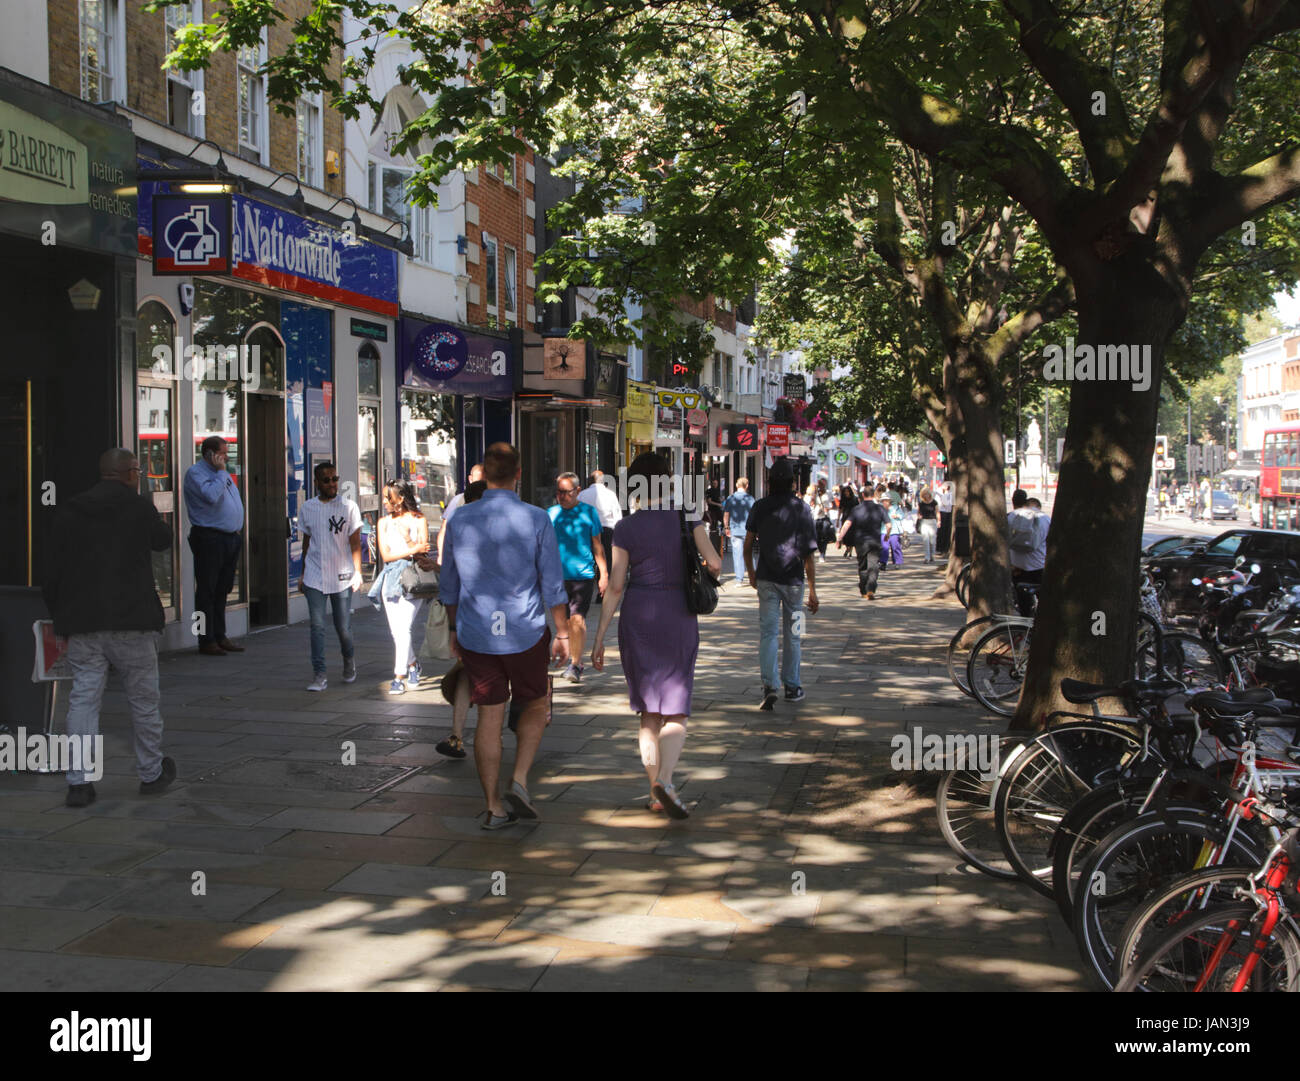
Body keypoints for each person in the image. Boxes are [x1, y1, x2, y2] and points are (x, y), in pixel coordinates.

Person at [440, 442, 571, 830]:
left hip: (477, 631)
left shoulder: (461, 520)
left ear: (484, 473)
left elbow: (449, 584)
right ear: (518, 473)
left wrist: (453, 629)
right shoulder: (536, 519)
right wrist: (562, 632)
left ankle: (494, 805)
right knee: (534, 702)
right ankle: (520, 780)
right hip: (525, 630)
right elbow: (552, 582)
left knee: (489, 717)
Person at [589, 452, 721, 817]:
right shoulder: (686, 517)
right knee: (676, 710)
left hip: (639, 617)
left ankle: (652, 791)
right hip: (677, 615)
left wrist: (599, 637)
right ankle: (666, 777)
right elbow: (715, 563)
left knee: (648, 713)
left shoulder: (627, 528)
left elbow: (615, 586)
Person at [43, 449, 176, 807]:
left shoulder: (70, 509)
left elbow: (52, 570)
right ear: (131, 472)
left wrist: (59, 616)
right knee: (143, 699)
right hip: (132, 620)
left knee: (84, 699)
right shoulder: (138, 507)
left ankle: (79, 782)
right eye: (138, 470)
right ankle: (150, 772)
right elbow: (163, 540)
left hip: (84, 621)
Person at [745, 458, 820, 710]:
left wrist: (751, 573)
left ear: (769, 481)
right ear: (793, 482)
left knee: (767, 633)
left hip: (766, 579)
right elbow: (809, 554)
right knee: (794, 634)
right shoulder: (802, 509)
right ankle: (793, 685)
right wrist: (813, 590)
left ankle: (769, 684)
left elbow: (747, 545)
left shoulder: (759, 506)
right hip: (794, 583)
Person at [431, 479, 486, 760]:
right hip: (497, 617)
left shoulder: (461, 526)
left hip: (471, 615)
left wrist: (453, 625)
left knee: (469, 672)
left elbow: (450, 581)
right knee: (474, 673)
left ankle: (460, 736)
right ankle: (472, 736)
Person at [299, 462, 363, 692]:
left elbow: (355, 543)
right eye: (326, 480)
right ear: (316, 483)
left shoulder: (349, 507)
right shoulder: (307, 508)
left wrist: (358, 573)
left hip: (342, 575)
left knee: (342, 627)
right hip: (315, 575)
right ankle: (319, 674)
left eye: (335, 478)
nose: (332, 483)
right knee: (317, 626)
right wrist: (303, 573)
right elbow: (307, 541)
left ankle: (349, 660)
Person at [183, 435, 245, 655]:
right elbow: (210, 496)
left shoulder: (222, 473)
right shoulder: (196, 473)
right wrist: (220, 472)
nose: (226, 458)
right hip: (209, 537)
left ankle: (220, 634)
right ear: (210, 454)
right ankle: (203, 638)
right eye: (223, 454)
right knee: (206, 590)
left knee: (222, 589)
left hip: (229, 537)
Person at [548, 471, 608, 685]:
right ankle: (575, 658)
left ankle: (575, 664)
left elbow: (597, 545)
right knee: (564, 622)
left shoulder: (588, 512)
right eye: (559, 492)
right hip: (556, 576)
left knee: (577, 619)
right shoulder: (551, 514)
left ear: (578, 491)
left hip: (583, 575)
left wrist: (604, 574)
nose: (562, 496)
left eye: (566, 492)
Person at [372, 480, 431, 695]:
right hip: (390, 578)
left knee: (404, 628)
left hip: (412, 579)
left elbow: (423, 552)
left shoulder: (418, 519)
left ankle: (398, 676)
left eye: (388, 498)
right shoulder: (383, 522)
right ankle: (413, 664)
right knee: (396, 631)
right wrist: (412, 549)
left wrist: (408, 539)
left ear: (400, 499)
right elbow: (386, 556)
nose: (385, 501)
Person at [838, 483, 889, 599]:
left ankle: (863, 589)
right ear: (873, 494)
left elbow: (847, 524)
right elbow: (889, 525)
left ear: (862, 495)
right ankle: (871, 588)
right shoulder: (880, 508)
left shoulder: (856, 509)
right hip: (875, 541)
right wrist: (887, 535)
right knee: (874, 565)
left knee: (862, 566)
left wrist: (840, 537)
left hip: (860, 542)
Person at [1008, 489, 1049, 617]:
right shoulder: (1045, 518)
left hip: (1017, 568)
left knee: (1023, 603)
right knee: (1045, 601)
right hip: (1038, 566)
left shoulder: (1011, 516)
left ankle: (1024, 628)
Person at [436, 463, 484, 564]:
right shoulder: (458, 500)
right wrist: (441, 556)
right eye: (477, 482)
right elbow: (444, 530)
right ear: (470, 479)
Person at [578, 469, 623, 571]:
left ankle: (590, 577)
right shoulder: (610, 494)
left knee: (588, 557)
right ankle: (606, 580)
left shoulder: (582, 495)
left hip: (587, 531)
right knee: (607, 557)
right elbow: (617, 516)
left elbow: (578, 514)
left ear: (589, 481)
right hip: (607, 530)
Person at [721, 477, 755, 584]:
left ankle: (739, 579)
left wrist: (726, 528)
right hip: (748, 531)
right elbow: (754, 516)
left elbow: (726, 515)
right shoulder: (750, 499)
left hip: (735, 530)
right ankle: (752, 576)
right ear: (747, 486)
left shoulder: (730, 498)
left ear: (736, 485)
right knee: (749, 553)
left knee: (737, 554)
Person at [880, 494, 904, 567]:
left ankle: (897, 562)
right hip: (883, 531)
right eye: (883, 501)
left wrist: (897, 516)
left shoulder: (896, 508)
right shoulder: (880, 509)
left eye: (886, 500)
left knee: (895, 546)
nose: (885, 502)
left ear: (889, 501)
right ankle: (883, 562)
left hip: (894, 531)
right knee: (884, 547)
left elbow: (902, 515)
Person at [916, 486, 939, 563]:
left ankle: (932, 555)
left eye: (927, 494)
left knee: (932, 541)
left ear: (929, 494)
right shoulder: (921, 503)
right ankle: (927, 557)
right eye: (924, 494)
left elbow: (937, 512)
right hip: (924, 522)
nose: (926, 496)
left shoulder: (934, 502)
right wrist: (919, 516)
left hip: (932, 521)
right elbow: (918, 513)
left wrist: (939, 521)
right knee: (926, 540)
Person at [837, 483, 859, 558]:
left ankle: (850, 550)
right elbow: (840, 509)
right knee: (846, 535)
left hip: (853, 518)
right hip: (845, 517)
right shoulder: (843, 500)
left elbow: (858, 508)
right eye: (845, 491)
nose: (846, 493)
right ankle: (847, 548)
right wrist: (838, 519)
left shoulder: (855, 499)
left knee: (852, 535)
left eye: (847, 491)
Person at [936, 480, 954, 554]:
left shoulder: (950, 492)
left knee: (947, 530)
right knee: (941, 531)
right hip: (942, 512)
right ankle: (940, 548)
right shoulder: (939, 492)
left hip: (948, 512)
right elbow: (942, 503)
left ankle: (945, 547)